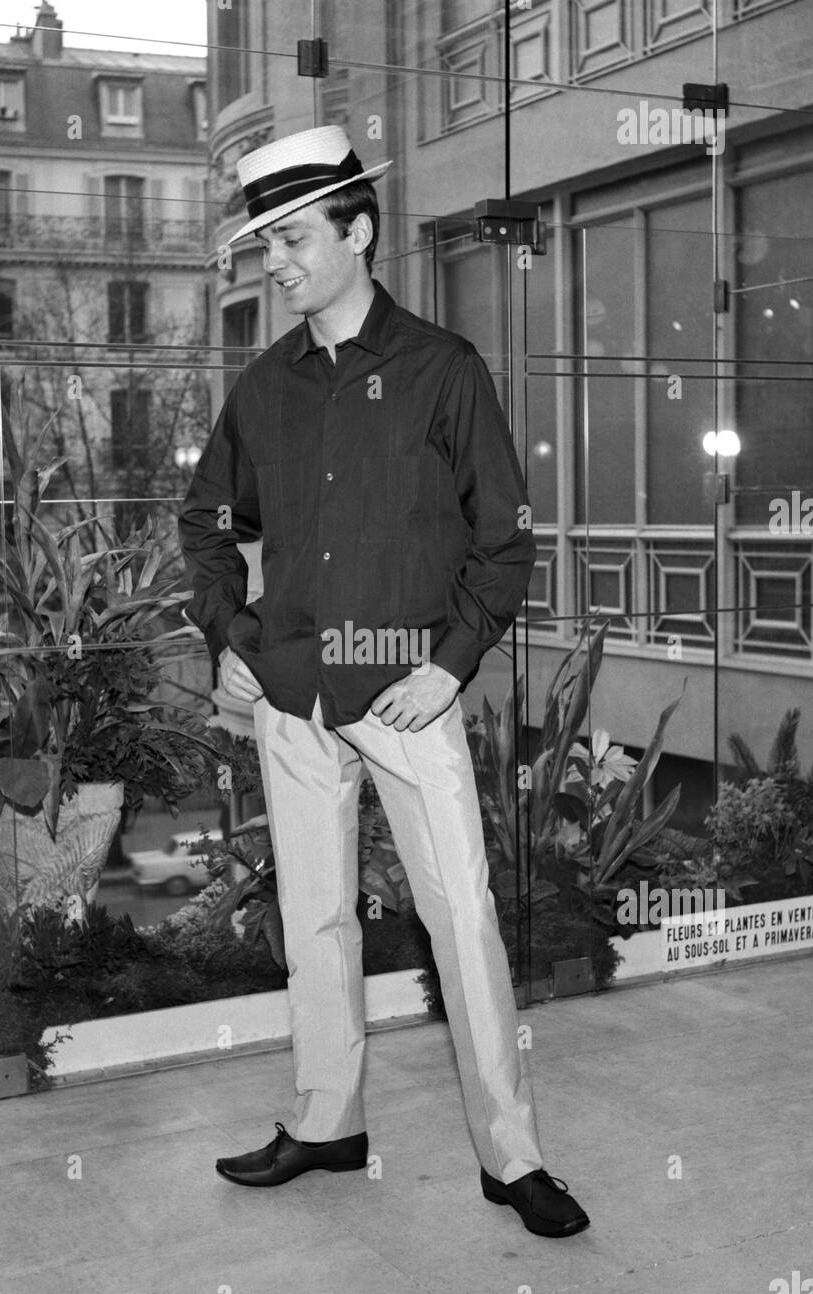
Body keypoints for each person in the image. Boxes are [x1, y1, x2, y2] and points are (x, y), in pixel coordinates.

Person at [178, 126, 588, 1238]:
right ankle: (327, 1121)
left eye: (293, 237)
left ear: (357, 233)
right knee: (314, 918)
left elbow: (506, 543)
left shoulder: (442, 371)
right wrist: (227, 632)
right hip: (292, 696)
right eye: (266, 242)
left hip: (407, 696)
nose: (276, 262)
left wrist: (449, 667)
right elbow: (208, 521)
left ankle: (514, 1157)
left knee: (466, 924)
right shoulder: (263, 388)